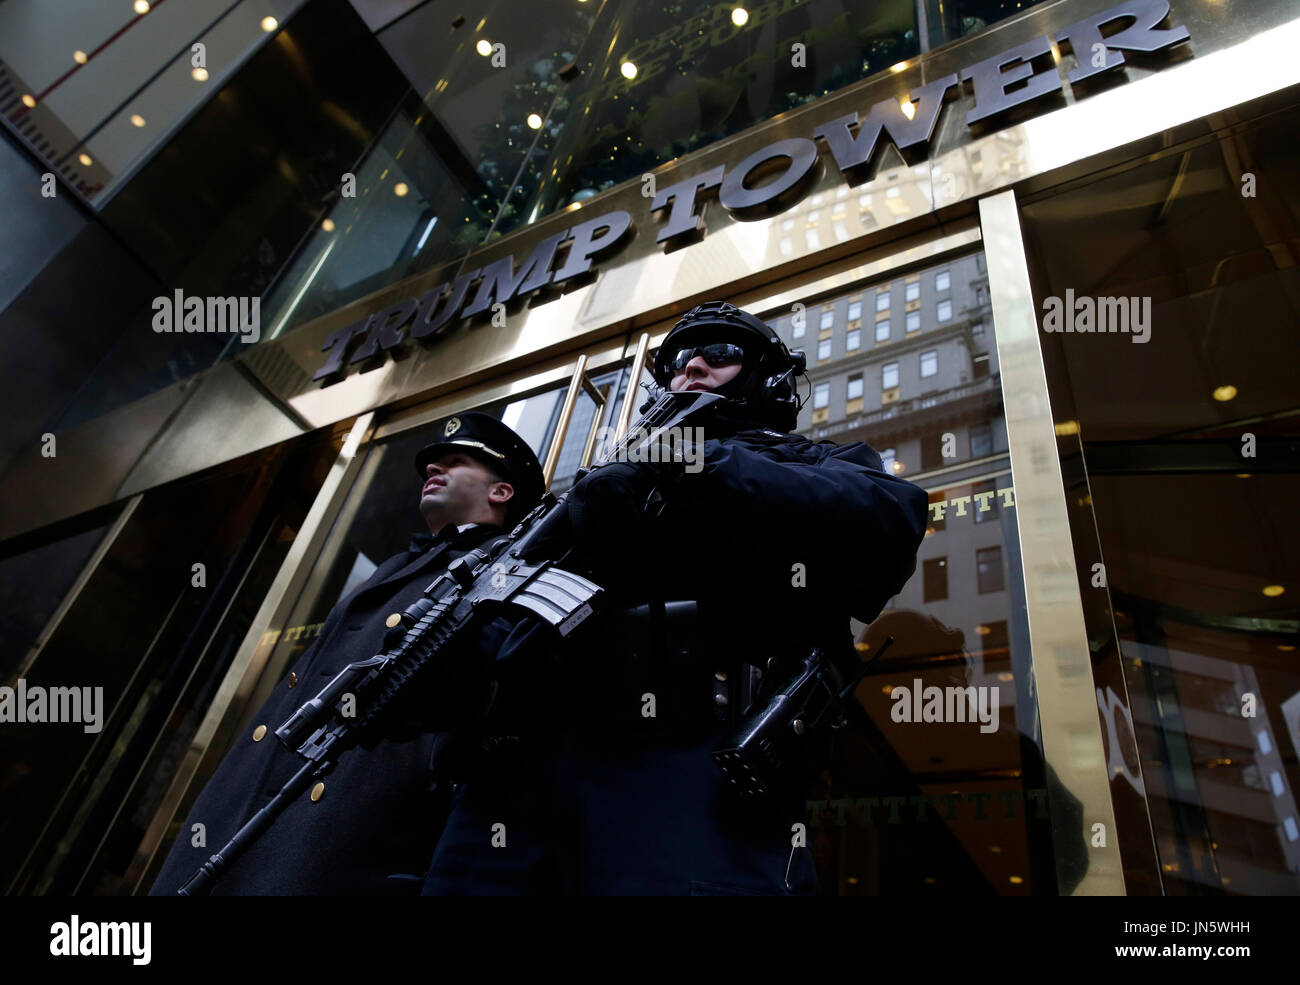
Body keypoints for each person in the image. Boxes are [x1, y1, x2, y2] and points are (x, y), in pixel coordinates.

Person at [420, 300, 930, 895]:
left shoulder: (811, 461)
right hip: (521, 778)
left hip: (696, 769)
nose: (693, 367)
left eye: (721, 354)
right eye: (681, 361)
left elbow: (889, 522)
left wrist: (695, 462)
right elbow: (512, 621)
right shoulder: (598, 486)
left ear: (768, 377)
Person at [148, 413, 545, 895]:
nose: (433, 471)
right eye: (430, 467)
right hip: (260, 791)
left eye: (455, 462)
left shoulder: (512, 568)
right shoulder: (401, 565)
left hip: (351, 810)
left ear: (500, 492)